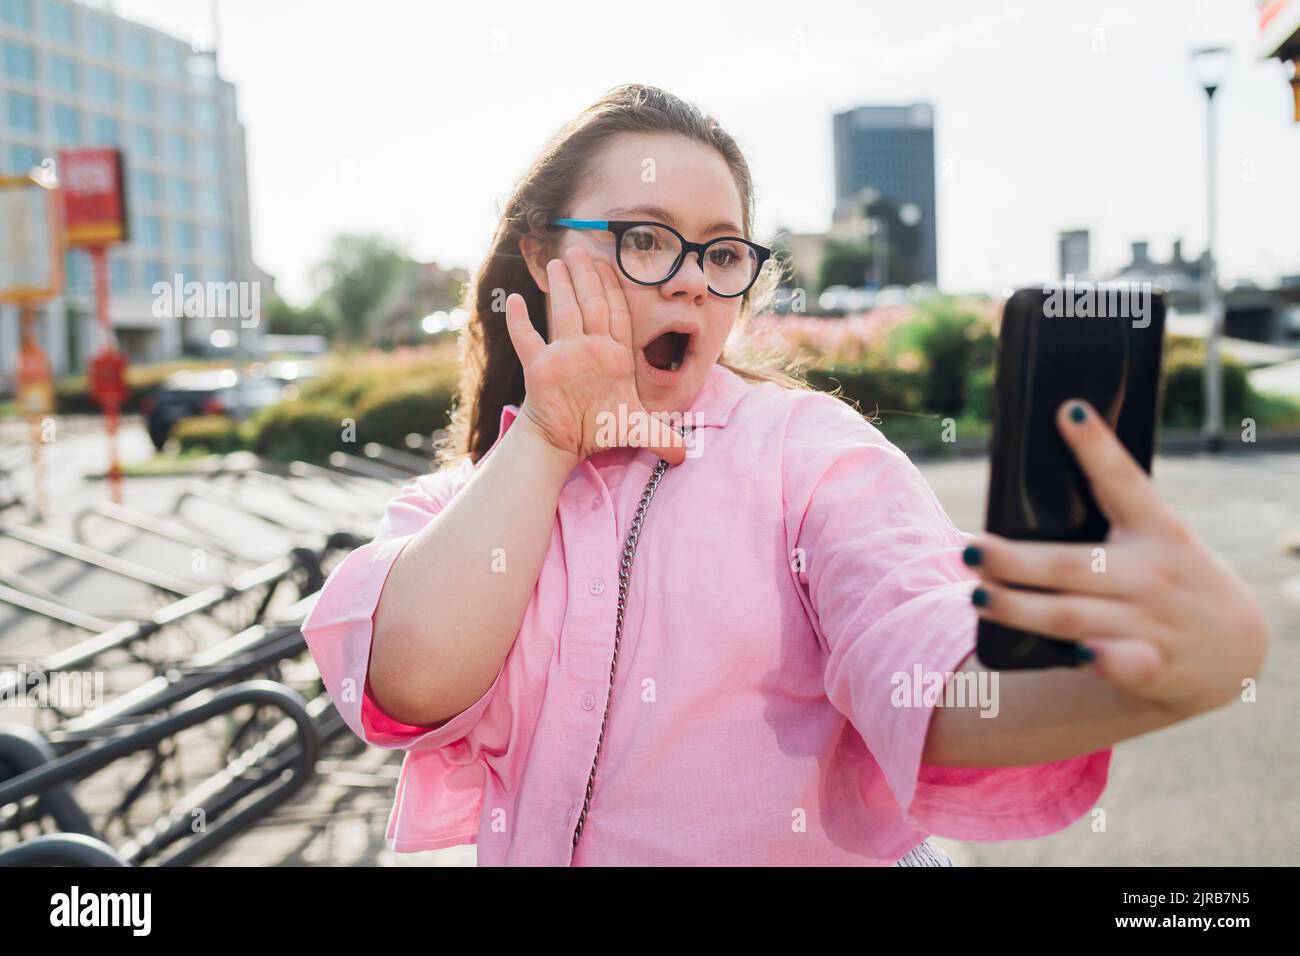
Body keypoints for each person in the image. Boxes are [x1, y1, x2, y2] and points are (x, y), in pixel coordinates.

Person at [301, 83, 1269, 866]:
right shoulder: (474, 495)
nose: (689, 277)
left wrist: (1142, 675)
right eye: (643, 237)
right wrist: (550, 438)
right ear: (540, 255)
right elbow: (410, 679)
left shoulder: (808, 452)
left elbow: (918, 653)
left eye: (721, 251)